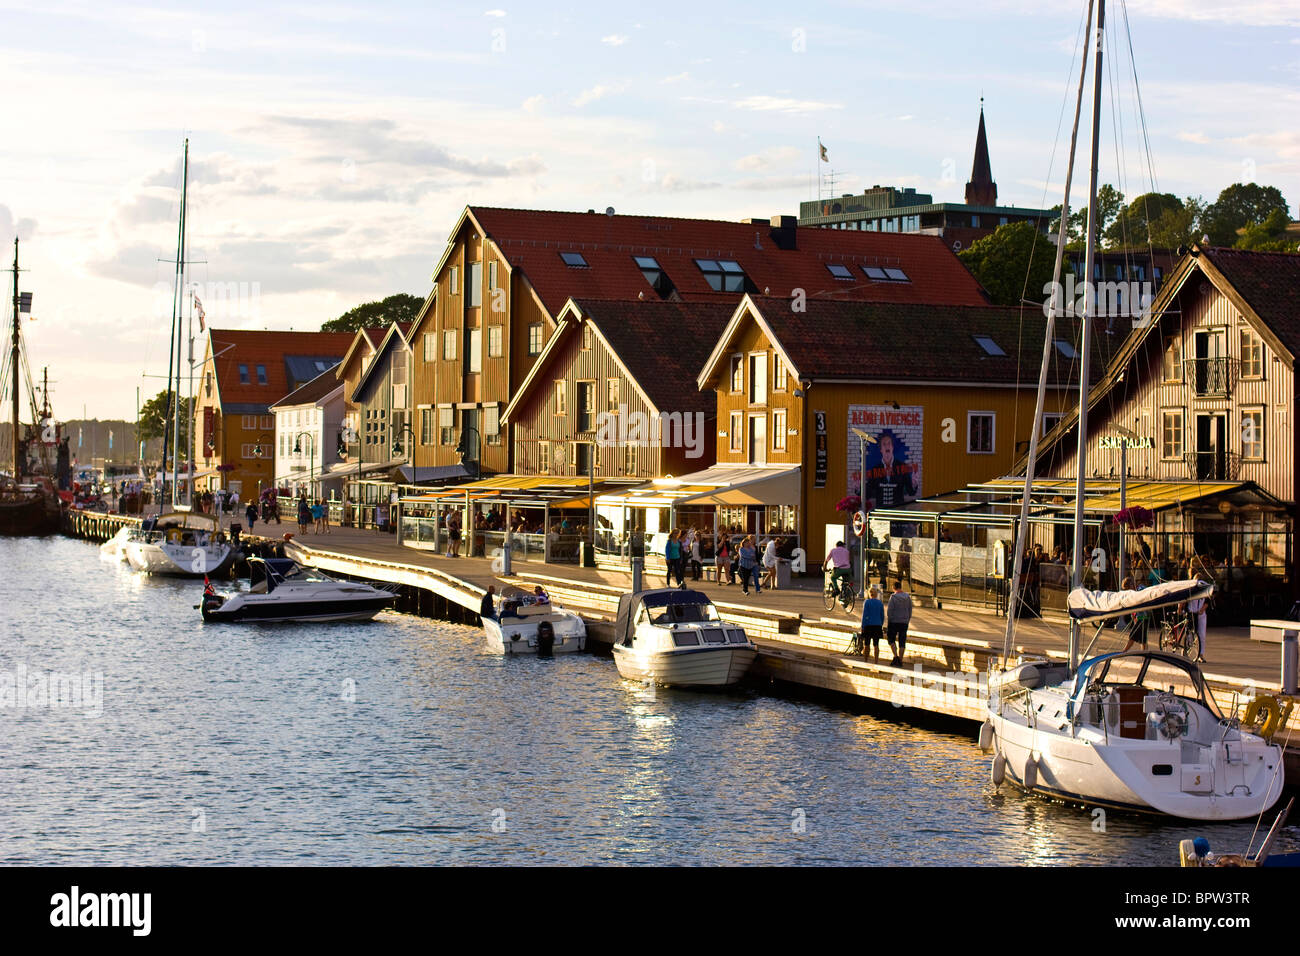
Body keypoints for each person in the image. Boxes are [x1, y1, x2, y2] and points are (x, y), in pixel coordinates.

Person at [886, 579, 912, 667]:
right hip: (904, 622)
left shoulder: (893, 597)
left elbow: (889, 612)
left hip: (894, 621)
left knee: (891, 639)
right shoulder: (907, 597)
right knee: (902, 641)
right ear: (900, 587)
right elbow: (910, 610)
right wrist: (907, 619)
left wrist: (890, 620)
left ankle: (895, 656)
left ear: (894, 588)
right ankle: (900, 660)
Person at [1121, 576, 1149, 652]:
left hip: (1142, 617)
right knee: (1142, 639)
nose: (1128, 591)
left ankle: (1124, 651)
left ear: (1131, 585)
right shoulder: (1134, 592)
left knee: (1132, 636)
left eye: (1128, 589)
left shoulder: (1140, 589)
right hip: (1140, 617)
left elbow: (1142, 597)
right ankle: (1144, 656)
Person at [860, 585, 885, 662]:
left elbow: (864, 615)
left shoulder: (867, 602)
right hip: (877, 626)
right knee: (876, 644)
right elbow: (882, 616)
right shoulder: (880, 603)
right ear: (876, 594)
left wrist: (862, 626)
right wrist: (881, 624)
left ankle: (865, 660)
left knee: (867, 644)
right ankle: (876, 661)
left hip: (868, 625)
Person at [1186, 593, 1208, 662]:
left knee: (1202, 635)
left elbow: (1207, 602)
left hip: (1201, 614)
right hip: (1191, 613)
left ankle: (1200, 655)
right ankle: (1187, 652)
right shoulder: (1190, 588)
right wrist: (1180, 609)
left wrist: (1201, 610)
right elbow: (1183, 601)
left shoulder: (1203, 588)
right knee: (1190, 635)